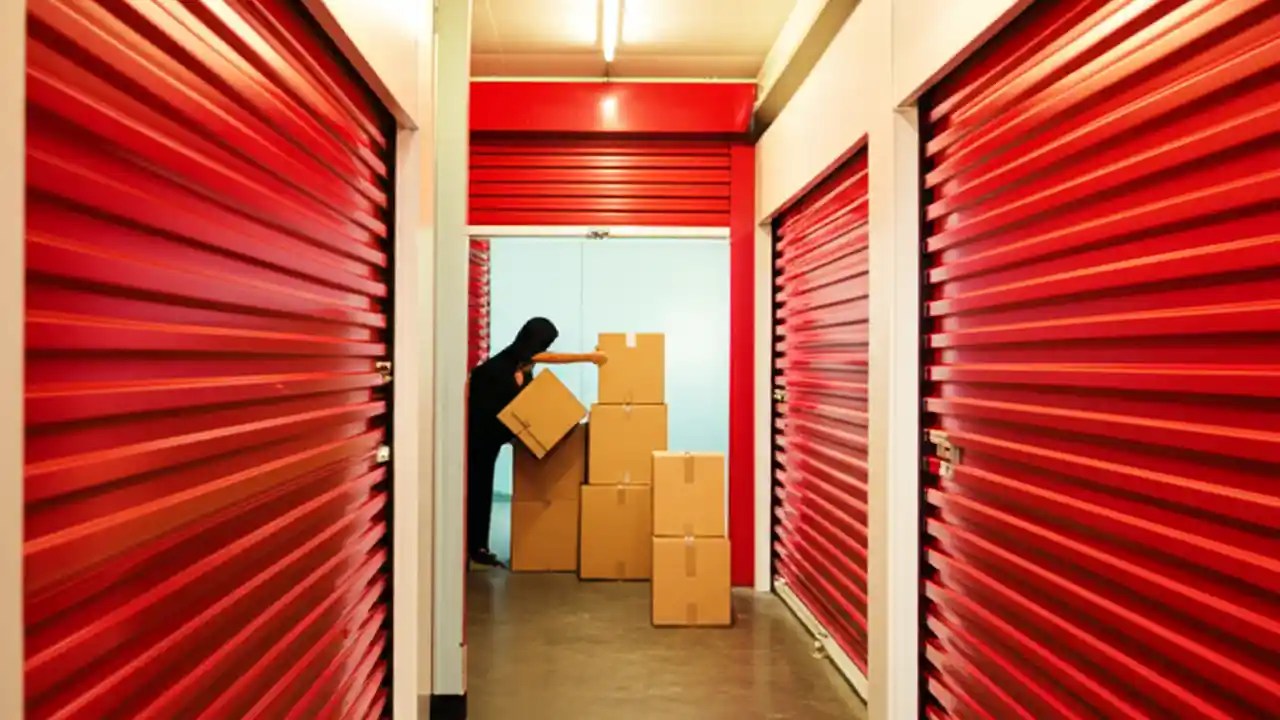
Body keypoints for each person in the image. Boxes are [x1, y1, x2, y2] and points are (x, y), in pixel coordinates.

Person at [466, 317, 606, 567]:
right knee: (477, 490)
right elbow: (490, 409)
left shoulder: (524, 366)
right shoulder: (501, 366)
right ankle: (475, 547)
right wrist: (589, 357)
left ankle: (478, 545)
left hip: (494, 439)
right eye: (544, 343)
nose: (545, 349)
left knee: (482, 490)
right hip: (480, 439)